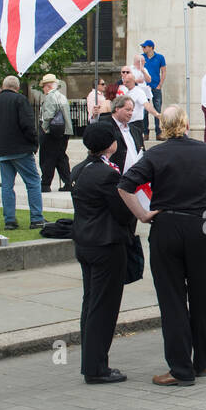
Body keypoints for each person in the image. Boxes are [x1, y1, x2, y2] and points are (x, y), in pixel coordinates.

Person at [118, 106, 206, 386]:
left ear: (164, 127)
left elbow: (125, 185)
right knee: (203, 295)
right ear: (186, 124)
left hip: (168, 222)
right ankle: (205, 358)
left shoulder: (155, 154)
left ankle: (180, 368)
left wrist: (142, 215)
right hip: (204, 220)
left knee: (172, 297)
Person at [71, 121, 137, 383]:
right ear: (110, 144)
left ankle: (92, 360)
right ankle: (96, 367)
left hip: (86, 241)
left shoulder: (80, 169)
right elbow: (121, 210)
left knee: (91, 303)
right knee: (103, 307)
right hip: (105, 244)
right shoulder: (107, 174)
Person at [0, 75, 46, 231]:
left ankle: (9, 219)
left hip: (3, 150)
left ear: (3, 86)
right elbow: (28, 124)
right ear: (17, 87)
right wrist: (34, 142)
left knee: (7, 186)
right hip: (21, 149)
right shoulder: (20, 100)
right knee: (33, 182)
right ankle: (36, 218)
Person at [36, 74, 73, 192]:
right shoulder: (61, 97)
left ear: (47, 86)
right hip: (63, 131)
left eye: (43, 86)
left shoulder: (50, 97)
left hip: (52, 132)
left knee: (48, 157)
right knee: (60, 157)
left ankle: (45, 184)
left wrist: (43, 128)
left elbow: (48, 116)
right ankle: (68, 182)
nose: (43, 89)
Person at [135, 40, 167, 140]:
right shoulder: (142, 58)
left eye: (145, 47)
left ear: (151, 47)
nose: (143, 49)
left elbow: (163, 71)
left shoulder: (160, 57)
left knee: (157, 109)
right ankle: (146, 133)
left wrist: (160, 84)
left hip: (155, 86)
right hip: (145, 88)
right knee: (144, 110)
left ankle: (159, 132)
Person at [105, 96, 141, 172]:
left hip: (136, 177)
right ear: (117, 109)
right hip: (115, 176)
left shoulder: (135, 130)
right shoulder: (106, 126)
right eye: (128, 110)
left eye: (132, 110)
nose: (131, 113)